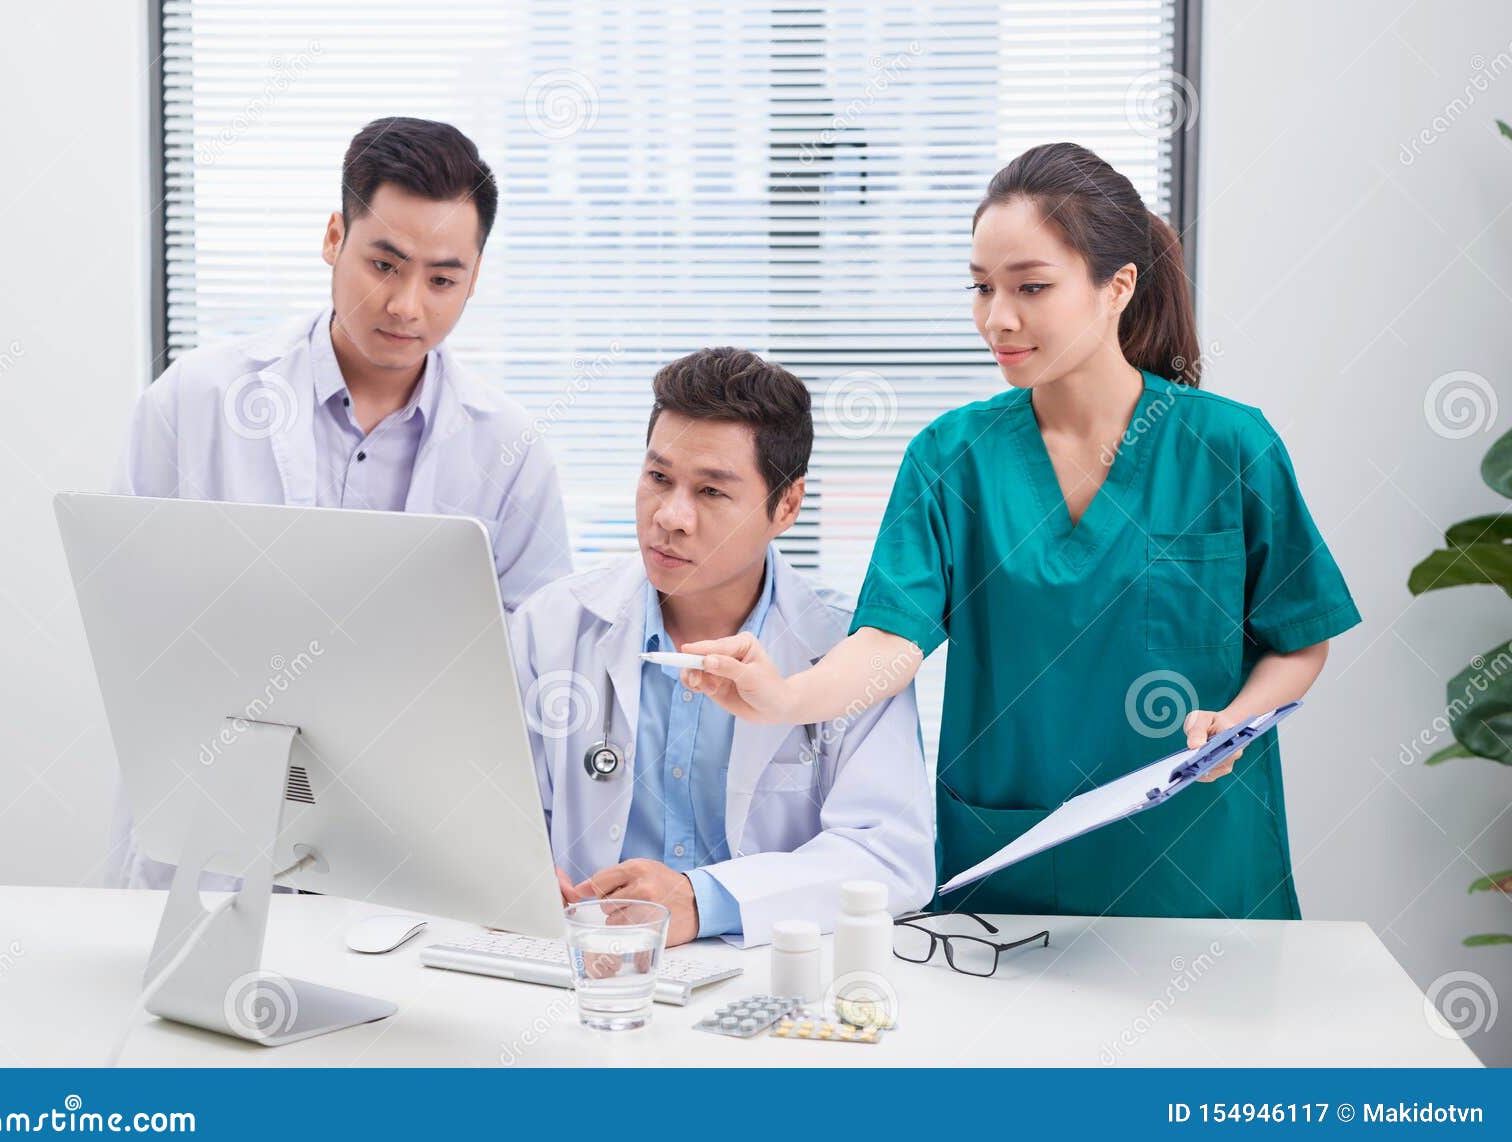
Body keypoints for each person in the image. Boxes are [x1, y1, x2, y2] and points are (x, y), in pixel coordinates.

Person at [680, 142, 1361, 921]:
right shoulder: (951, 458)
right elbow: (891, 641)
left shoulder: (1230, 447)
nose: (997, 318)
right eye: (981, 288)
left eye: (1031, 286)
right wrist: (784, 698)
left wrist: (1234, 726)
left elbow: (1299, 635)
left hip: (1198, 869)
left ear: (1119, 287)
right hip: (1010, 876)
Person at [110, 116, 572, 889]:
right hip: (216, 804)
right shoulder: (197, 399)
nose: (406, 306)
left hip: (410, 823)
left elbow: (533, 663)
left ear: (474, 276)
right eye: (383, 264)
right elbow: (121, 602)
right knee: (190, 999)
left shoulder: (510, 449)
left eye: (442, 279)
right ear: (334, 237)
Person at [508, 348, 933, 946]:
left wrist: (705, 900)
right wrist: (516, 870)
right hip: (587, 969)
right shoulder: (551, 626)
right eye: (658, 478)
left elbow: (891, 859)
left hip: (768, 981)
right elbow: (493, 810)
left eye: (711, 492)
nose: (671, 516)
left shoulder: (846, 652)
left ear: (786, 505)